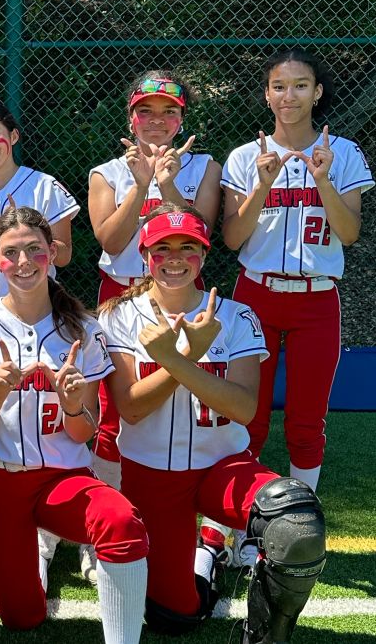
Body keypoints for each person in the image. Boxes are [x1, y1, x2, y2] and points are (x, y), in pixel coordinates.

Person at [99, 203, 326, 641]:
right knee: (175, 616)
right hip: (152, 475)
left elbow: (243, 408)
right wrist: (184, 356)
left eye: (188, 248)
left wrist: (174, 359)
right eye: (162, 249)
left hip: (222, 465)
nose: (175, 259)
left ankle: (264, 635)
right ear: (145, 255)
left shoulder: (236, 315)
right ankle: (207, 559)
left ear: (203, 256)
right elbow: (129, 406)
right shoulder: (118, 317)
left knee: (295, 520)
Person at [0, 207, 148, 642]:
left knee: (120, 520)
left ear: (53, 252)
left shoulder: (84, 328)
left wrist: (74, 405)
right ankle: (35, 560)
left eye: (34, 251)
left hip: (63, 478)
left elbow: (84, 433)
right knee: (22, 617)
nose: (23, 262)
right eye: (11, 253)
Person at [85, 71, 221, 576]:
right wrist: (140, 184)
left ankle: (200, 530)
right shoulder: (106, 171)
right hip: (121, 293)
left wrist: (166, 185)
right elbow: (113, 241)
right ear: (131, 117)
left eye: (168, 112)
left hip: (178, 294)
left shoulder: (205, 167)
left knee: (184, 407)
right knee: (112, 414)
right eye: (146, 111)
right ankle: (107, 525)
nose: (157, 122)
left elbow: (201, 236)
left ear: (182, 117)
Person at [221, 49, 375, 495]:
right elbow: (232, 239)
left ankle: (301, 519)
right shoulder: (245, 156)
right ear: (267, 95)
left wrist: (323, 180)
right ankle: (237, 519)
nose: (289, 96)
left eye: (301, 85)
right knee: (247, 416)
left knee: (306, 421)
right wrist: (263, 183)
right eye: (279, 86)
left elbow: (348, 233)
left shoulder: (342, 153)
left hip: (316, 297)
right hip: (256, 294)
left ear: (317, 92)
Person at [0, 101, 79, 309]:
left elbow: (64, 256)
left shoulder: (44, 186)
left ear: (14, 136)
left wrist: (28, 234)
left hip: (39, 305)